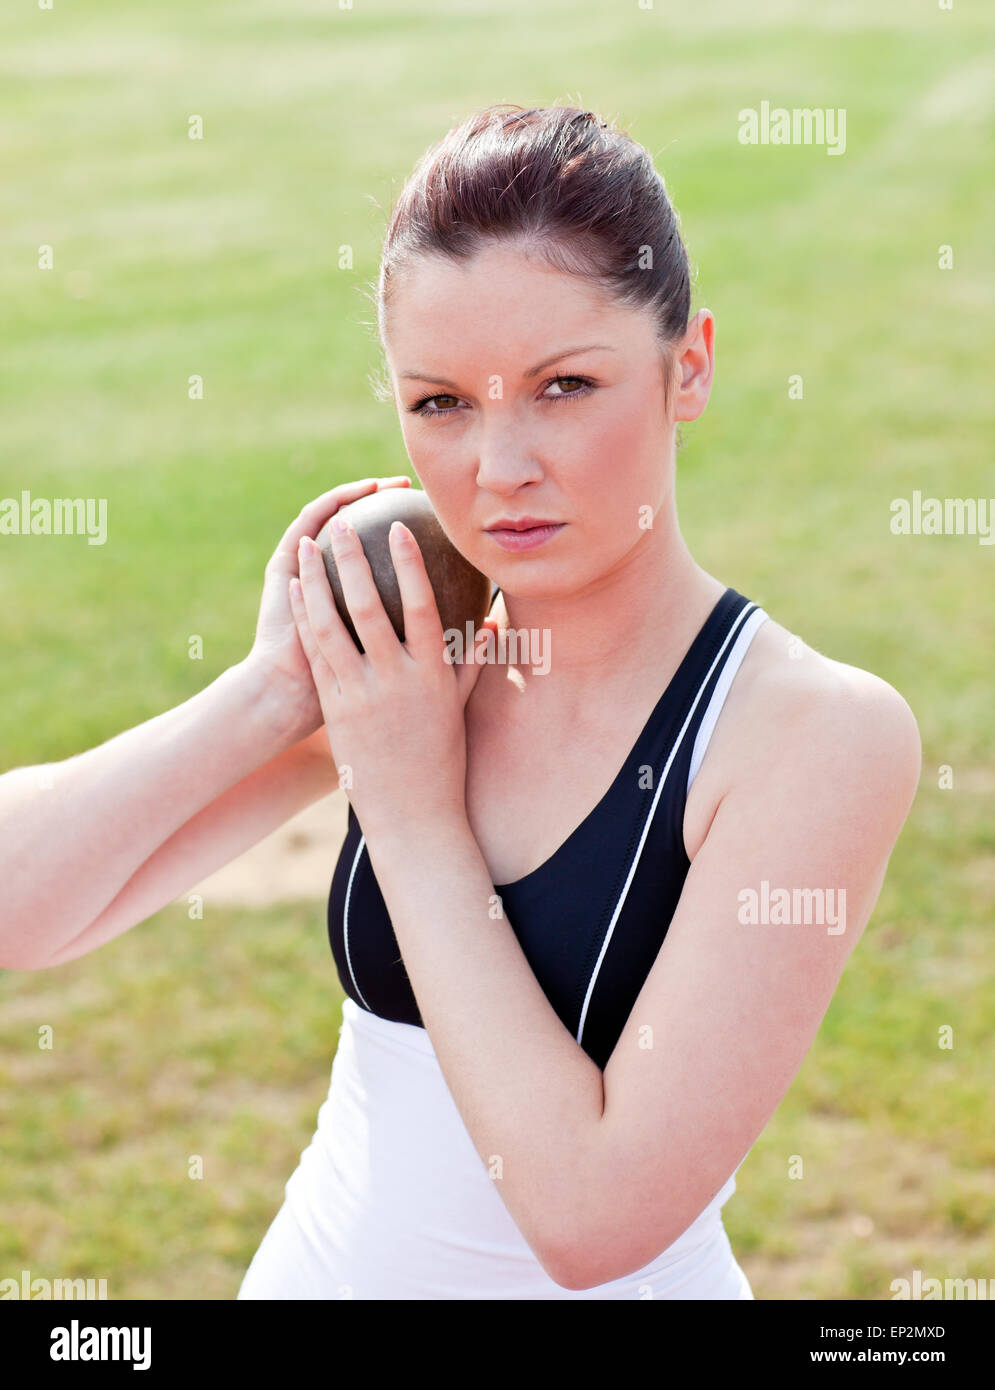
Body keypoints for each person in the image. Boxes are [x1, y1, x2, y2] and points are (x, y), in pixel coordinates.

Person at [0, 103, 921, 1300]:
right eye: (440, 402)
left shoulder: (809, 732)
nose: (497, 469)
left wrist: (414, 812)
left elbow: (593, 1218)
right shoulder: (414, 662)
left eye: (563, 386)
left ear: (685, 367)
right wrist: (274, 694)